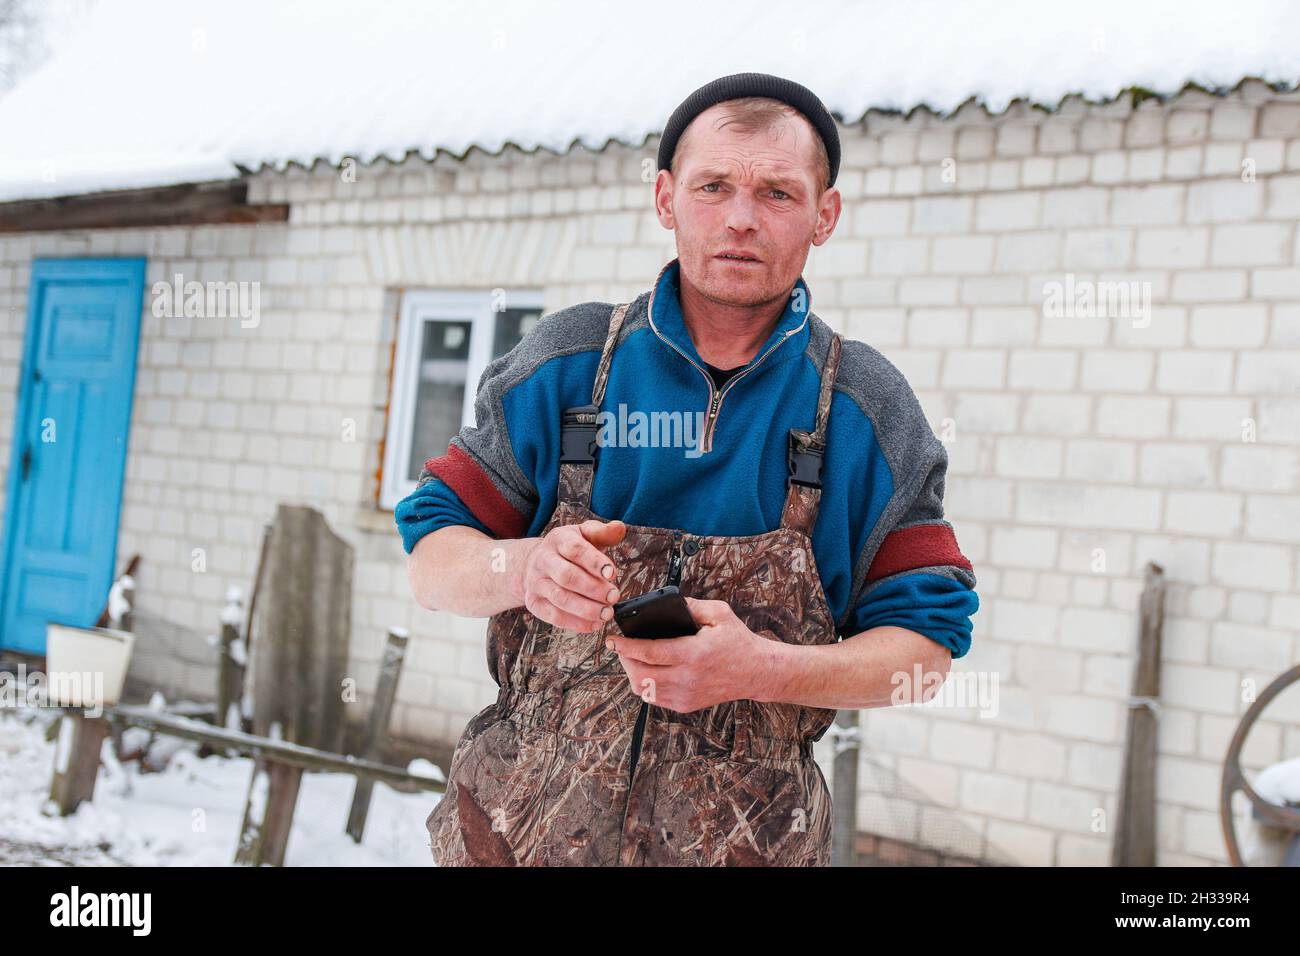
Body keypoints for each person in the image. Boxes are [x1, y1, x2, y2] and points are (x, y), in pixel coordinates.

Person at [396, 72, 978, 866]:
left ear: (825, 214)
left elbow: (925, 653)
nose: (741, 218)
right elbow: (432, 563)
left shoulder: (863, 410)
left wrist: (764, 669)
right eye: (714, 186)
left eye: (778, 192)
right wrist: (522, 567)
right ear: (667, 199)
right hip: (510, 840)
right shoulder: (570, 367)